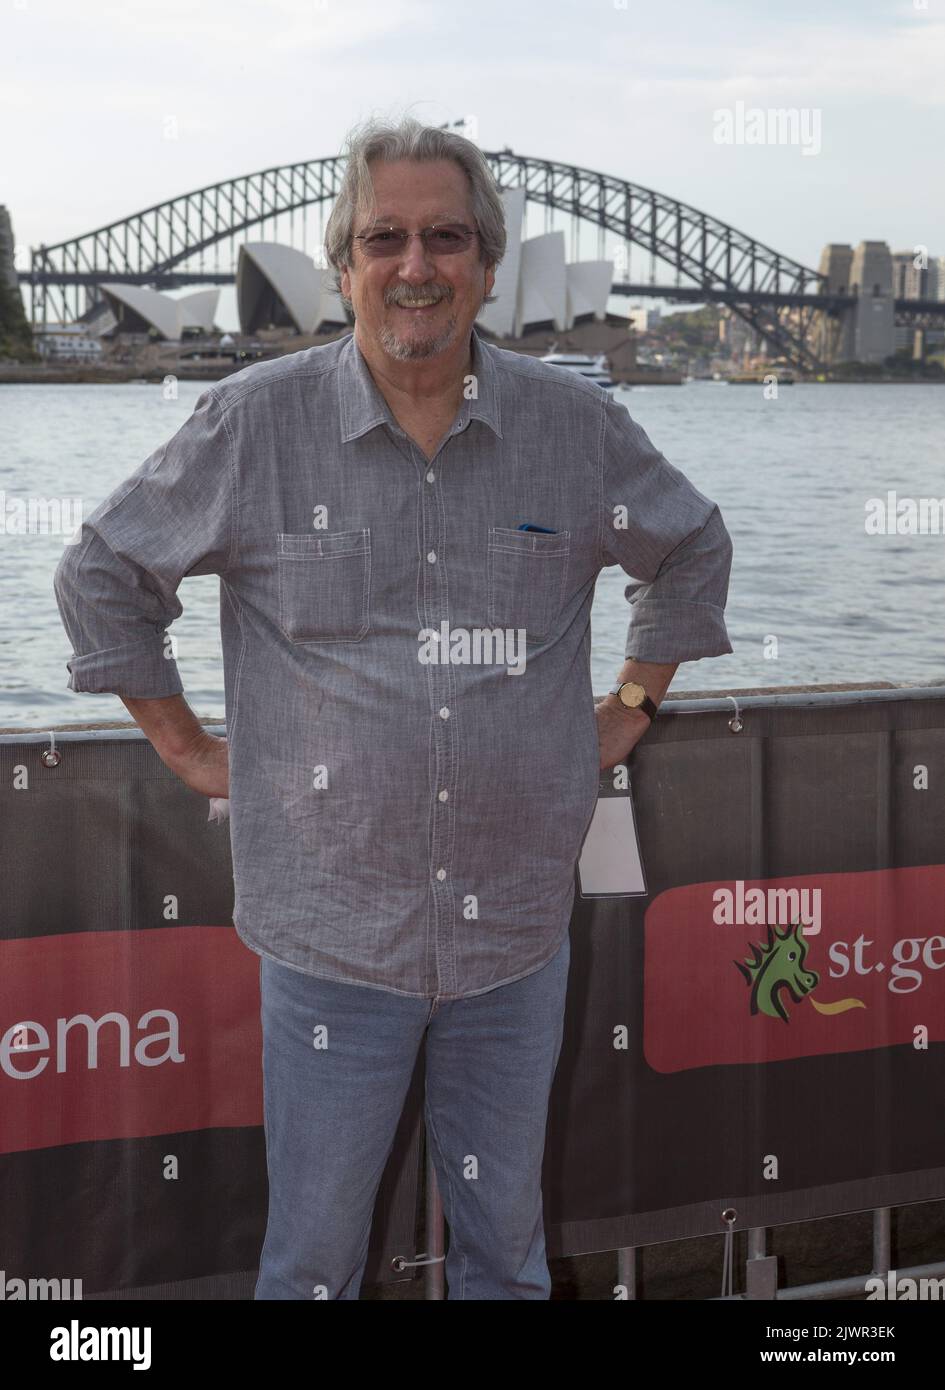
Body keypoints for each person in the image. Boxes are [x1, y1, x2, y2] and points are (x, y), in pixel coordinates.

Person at [53, 113, 734, 1300]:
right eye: (386, 238)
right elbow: (102, 574)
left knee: (506, 1261)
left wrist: (630, 701)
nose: (415, 265)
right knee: (315, 1265)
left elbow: (690, 546)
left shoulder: (573, 429)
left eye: (445, 237)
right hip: (333, 941)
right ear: (344, 260)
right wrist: (185, 745)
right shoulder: (256, 425)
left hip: (513, 936)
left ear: (486, 261)